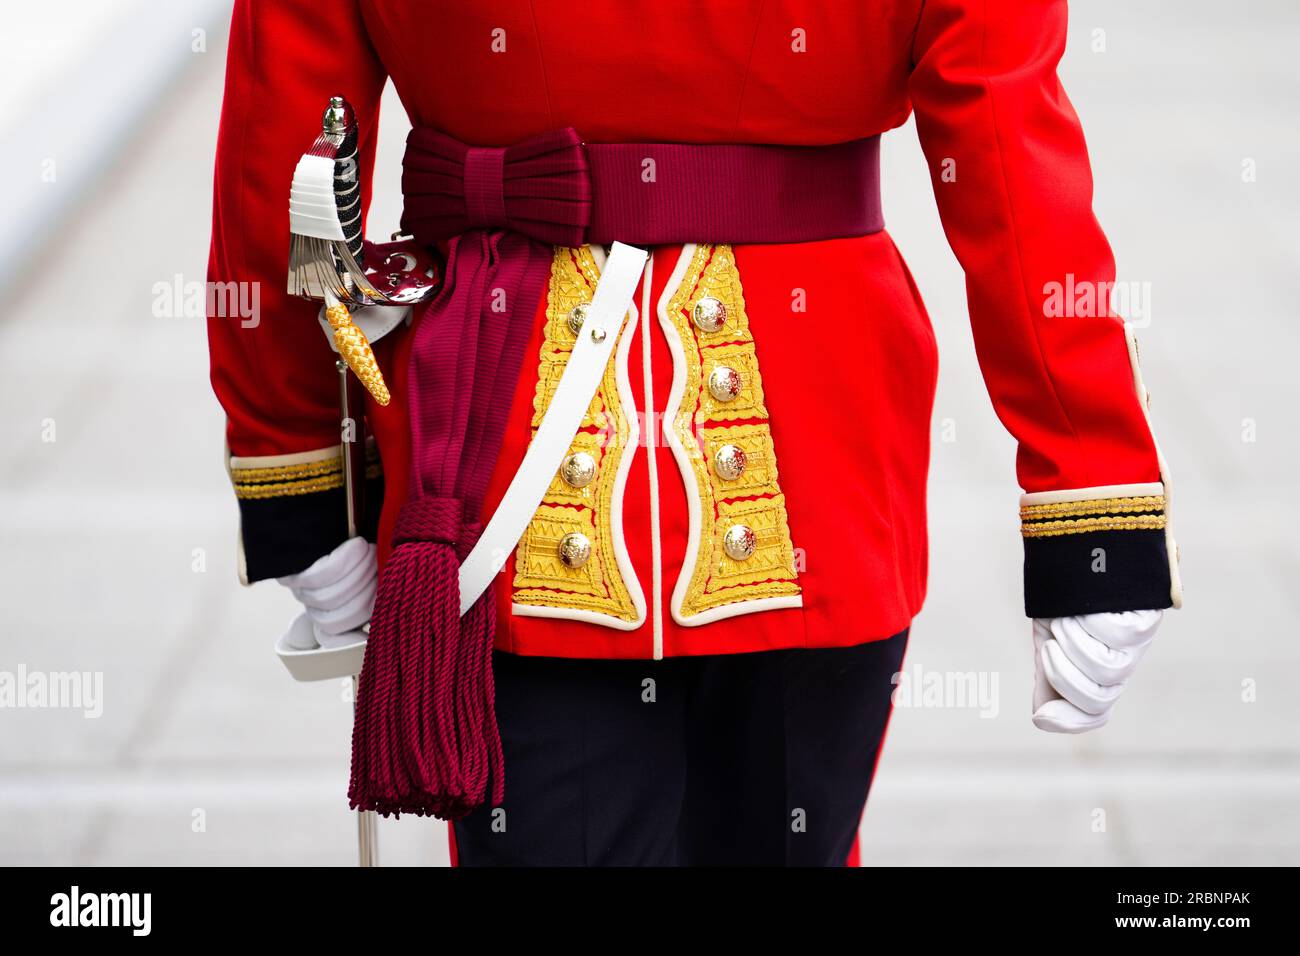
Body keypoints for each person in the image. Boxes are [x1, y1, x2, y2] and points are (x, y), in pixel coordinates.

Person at [207, 0, 1181, 866]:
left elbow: (285, 137)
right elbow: (1011, 153)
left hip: (500, 443)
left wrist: (297, 463)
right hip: (819, 445)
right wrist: (1088, 494)